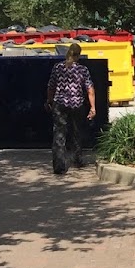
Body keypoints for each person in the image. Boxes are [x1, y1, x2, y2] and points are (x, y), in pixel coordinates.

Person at [45, 42, 96, 175]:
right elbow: (90, 90)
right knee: (77, 132)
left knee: (59, 135)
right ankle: (77, 159)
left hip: (60, 104)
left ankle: (59, 166)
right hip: (77, 104)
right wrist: (93, 107)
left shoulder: (58, 68)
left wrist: (49, 101)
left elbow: (51, 86)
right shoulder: (82, 70)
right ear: (78, 55)